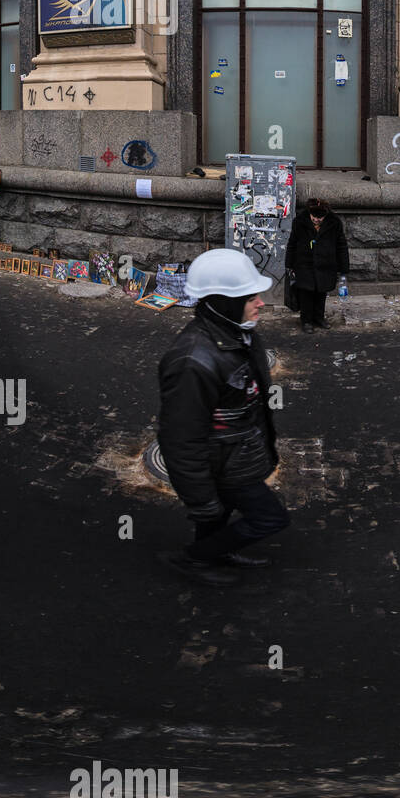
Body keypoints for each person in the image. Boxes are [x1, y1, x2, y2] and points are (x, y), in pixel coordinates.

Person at [154, 248, 286, 586]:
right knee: (270, 518)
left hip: (234, 455)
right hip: (223, 462)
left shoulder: (235, 334)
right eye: (250, 296)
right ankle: (193, 559)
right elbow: (180, 438)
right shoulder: (193, 360)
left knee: (220, 513)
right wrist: (200, 499)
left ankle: (213, 551)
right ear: (224, 302)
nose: (261, 303)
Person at [283, 197, 348, 330]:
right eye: (314, 217)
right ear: (309, 213)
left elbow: (341, 245)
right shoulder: (300, 222)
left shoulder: (334, 223)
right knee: (306, 293)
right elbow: (292, 243)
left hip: (326, 263)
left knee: (321, 292)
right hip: (304, 263)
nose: (316, 220)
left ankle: (319, 318)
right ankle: (306, 321)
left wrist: (343, 267)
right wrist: (289, 264)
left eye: (320, 218)